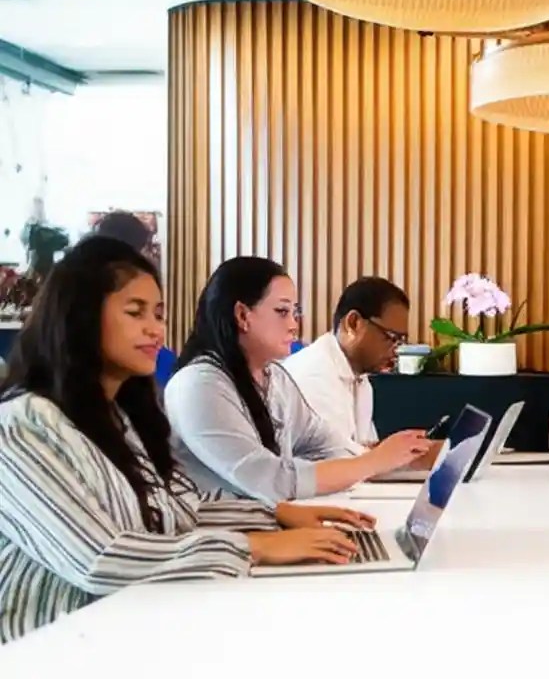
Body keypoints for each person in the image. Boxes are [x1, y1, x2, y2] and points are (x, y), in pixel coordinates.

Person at [0, 238, 370, 644]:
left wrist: (274, 516)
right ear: (80, 317)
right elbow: (101, 559)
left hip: (128, 626)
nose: (155, 329)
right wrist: (255, 546)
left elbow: (181, 509)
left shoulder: (121, 416)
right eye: (135, 312)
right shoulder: (22, 425)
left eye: (158, 313)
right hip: (46, 644)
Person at [165, 257, 432, 503]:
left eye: (295, 312)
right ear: (242, 315)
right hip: (218, 543)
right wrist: (375, 461)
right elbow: (270, 480)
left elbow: (328, 444)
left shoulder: (275, 379)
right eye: (282, 312)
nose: (294, 325)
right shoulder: (198, 386)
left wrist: (391, 455)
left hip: (266, 525)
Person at [283, 277, 432, 457]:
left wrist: (410, 446)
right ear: (353, 323)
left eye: (401, 341)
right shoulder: (313, 376)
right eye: (391, 337)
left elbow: (363, 449)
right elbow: (338, 464)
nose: (396, 350)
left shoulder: (359, 377)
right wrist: (428, 454)